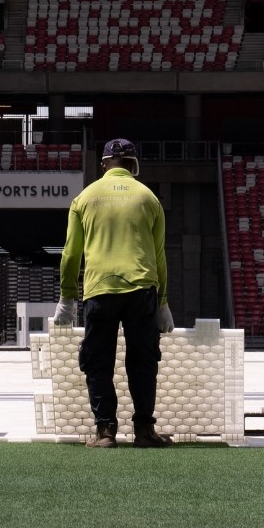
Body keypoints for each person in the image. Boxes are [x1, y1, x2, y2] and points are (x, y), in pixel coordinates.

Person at [55, 138, 174, 448]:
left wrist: (67, 297)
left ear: (104, 164)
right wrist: (163, 301)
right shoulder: (148, 198)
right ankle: (145, 431)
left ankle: (105, 431)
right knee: (143, 361)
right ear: (133, 164)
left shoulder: (84, 198)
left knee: (98, 361)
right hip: (142, 289)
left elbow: (70, 254)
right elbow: (159, 254)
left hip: (100, 289)